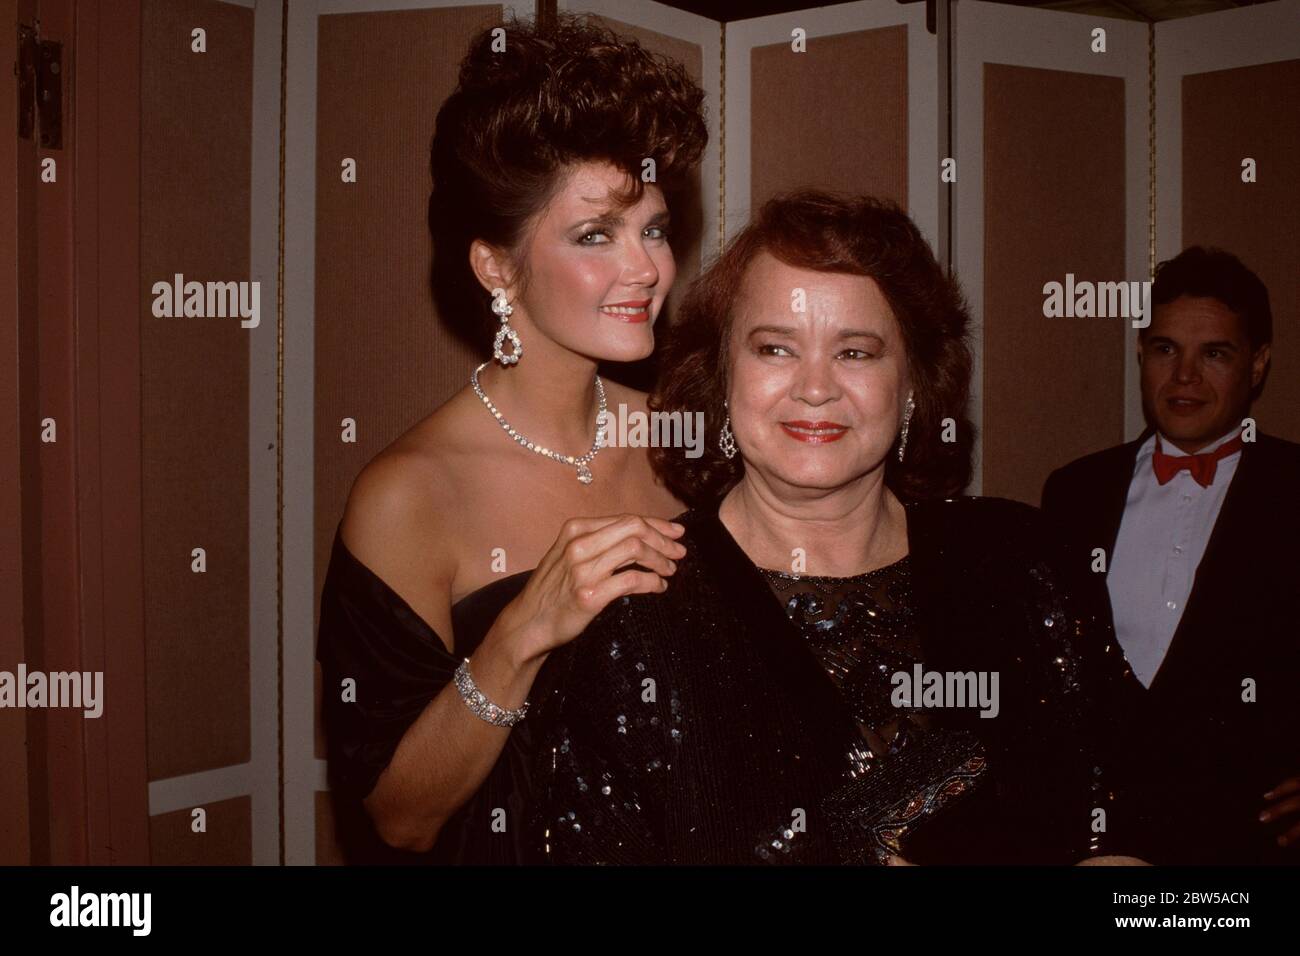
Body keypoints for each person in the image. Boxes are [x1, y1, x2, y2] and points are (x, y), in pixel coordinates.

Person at [524, 191, 1142, 865]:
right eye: (775, 348)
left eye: (855, 352)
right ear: (722, 375)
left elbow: (1142, 813)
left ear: (911, 385)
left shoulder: (1024, 562)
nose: (815, 388)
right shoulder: (638, 617)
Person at [315, 13, 708, 863]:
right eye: (594, 235)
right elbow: (398, 818)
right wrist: (521, 633)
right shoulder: (409, 494)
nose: (644, 268)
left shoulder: (684, 441)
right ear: (496, 266)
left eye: (654, 228)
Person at [1042, 247, 1300, 864]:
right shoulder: (1073, 493)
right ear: (1139, 353)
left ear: (1257, 364)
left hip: (1249, 850)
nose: (1184, 378)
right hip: (1095, 844)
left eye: (1215, 354)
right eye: (1165, 350)